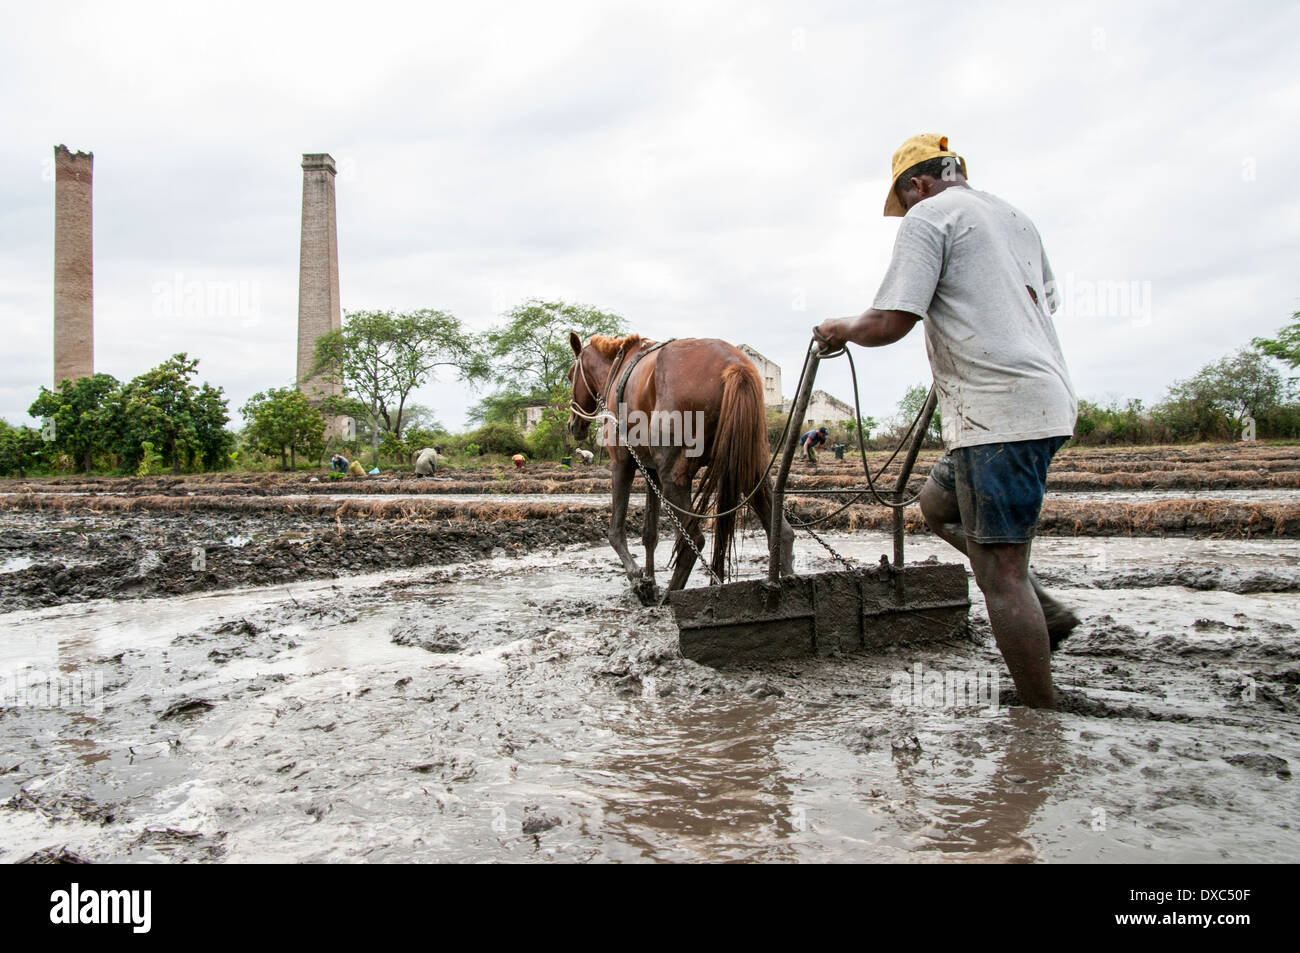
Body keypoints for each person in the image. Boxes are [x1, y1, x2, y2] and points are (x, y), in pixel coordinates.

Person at [814, 134, 1079, 710]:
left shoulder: (930, 216)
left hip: (999, 415)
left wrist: (840, 327)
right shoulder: (1016, 218)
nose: (905, 212)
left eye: (903, 201)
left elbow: (890, 321)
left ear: (918, 184)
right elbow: (1041, 301)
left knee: (1000, 573)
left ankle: (1039, 708)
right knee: (935, 508)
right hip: (1037, 401)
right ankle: (1043, 607)